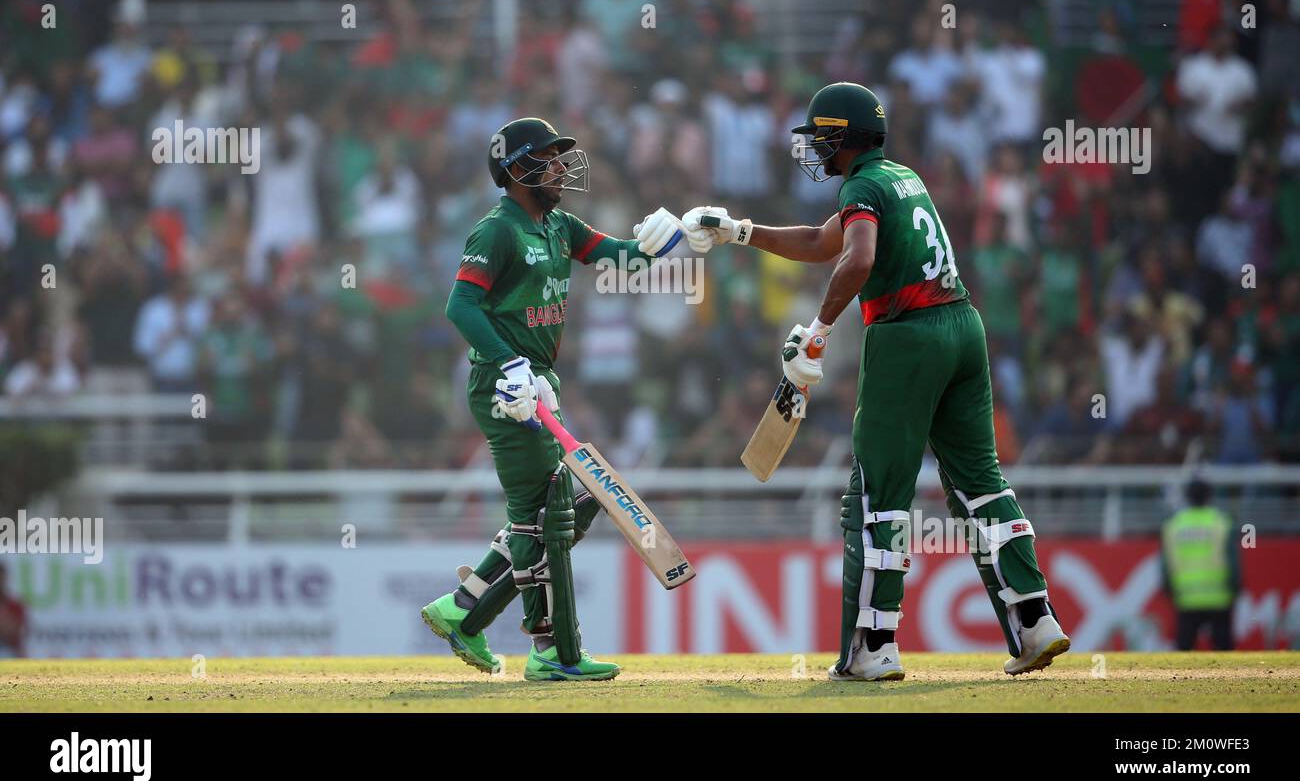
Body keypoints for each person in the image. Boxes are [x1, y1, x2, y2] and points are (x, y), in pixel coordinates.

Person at [664, 82, 1070, 680]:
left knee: (877, 495)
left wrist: (819, 329)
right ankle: (1035, 621)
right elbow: (822, 242)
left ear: (843, 137)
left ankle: (873, 648)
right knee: (980, 481)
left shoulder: (861, 186)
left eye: (820, 136)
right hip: (962, 327)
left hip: (908, 336)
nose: (812, 148)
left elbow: (856, 259)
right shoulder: (901, 178)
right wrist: (738, 230)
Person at [423, 117, 683, 682]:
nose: (562, 167)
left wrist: (674, 239)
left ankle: (464, 607)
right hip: (506, 387)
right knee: (547, 515)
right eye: (548, 158)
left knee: (550, 510)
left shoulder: (558, 224)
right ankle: (547, 650)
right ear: (518, 170)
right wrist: (509, 364)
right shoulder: (497, 231)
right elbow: (460, 307)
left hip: (538, 380)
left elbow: (620, 257)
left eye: (562, 157)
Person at [1160, 478, 1240, 650]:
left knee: (1183, 652)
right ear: (1209, 496)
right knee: (1225, 653)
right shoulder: (1222, 522)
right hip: (1219, 596)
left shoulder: (1174, 525)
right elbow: (1233, 561)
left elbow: (1166, 562)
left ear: (1187, 497)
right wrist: (1235, 588)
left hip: (1186, 597)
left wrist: (1168, 589)